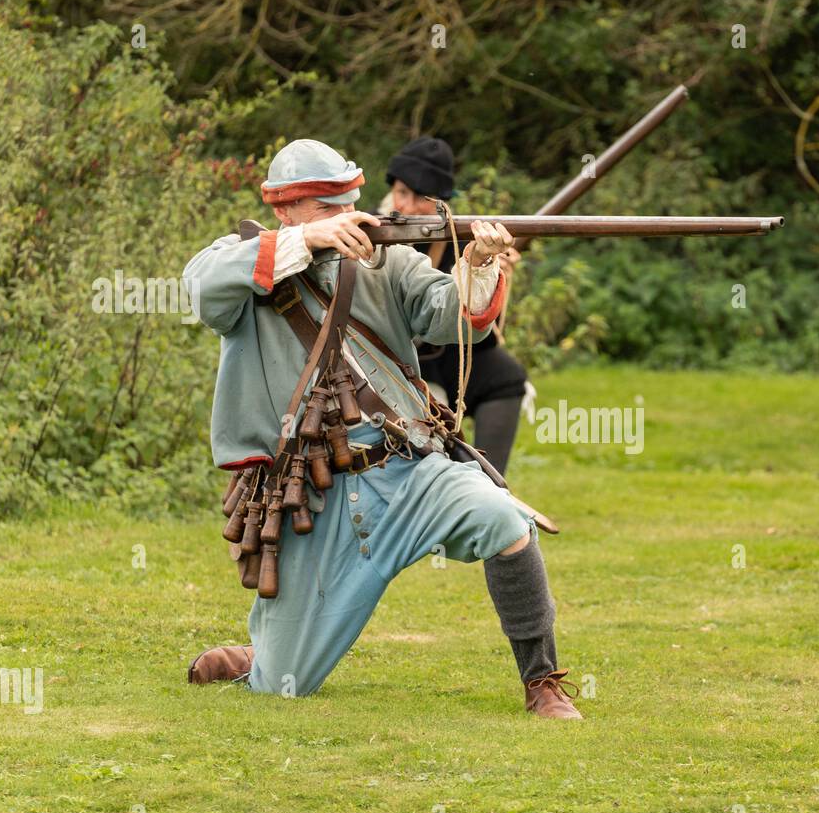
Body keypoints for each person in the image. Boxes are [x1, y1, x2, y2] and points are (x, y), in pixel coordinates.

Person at [182, 139, 581, 719]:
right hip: (313, 490)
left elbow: (452, 318)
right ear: (284, 211)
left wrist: (477, 264)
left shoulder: (387, 260)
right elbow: (201, 284)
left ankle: (542, 680)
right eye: (326, 210)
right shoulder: (249, 261)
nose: (345, 217)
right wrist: (307, 243)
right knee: (283, 685)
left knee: (502, 517)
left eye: (348, 202)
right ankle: (264, 656)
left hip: (407, 465)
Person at [385, 136, 530, 475]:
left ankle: (491, 483)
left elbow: (476, 326)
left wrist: (490, 274)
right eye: (402, 193)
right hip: (396, 360)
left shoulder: (459, 239)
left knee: (506, 378)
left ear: (440, 201)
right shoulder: (378, 238)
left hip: (448, 356)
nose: (406, 207)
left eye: (420, 197)